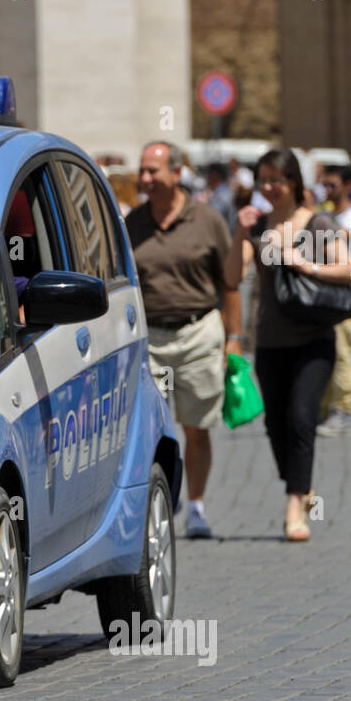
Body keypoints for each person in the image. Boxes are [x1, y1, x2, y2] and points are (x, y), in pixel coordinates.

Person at [226, 148, 351, 542]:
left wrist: (305, 264)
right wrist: (238, 230)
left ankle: (294, 505)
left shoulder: (318, 222)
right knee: (275, 424)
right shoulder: (258, 225)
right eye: (262, 179)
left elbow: (350, 268)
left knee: (301, 418)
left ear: (294, 182)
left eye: (276, 179)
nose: (268, 187)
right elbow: (232, 277)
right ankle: (300, 482)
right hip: (269, 340)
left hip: (313, 339)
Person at [126, 141, 236, 539]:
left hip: (198, 331)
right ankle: (154, 504)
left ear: (176, 173)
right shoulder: (133, 224)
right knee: (151, 426)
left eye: (153, 171)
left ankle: (196, 507)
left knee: (196, 426)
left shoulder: (207, 220)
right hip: (148, 338)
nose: (145, 179)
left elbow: (230, 282)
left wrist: (235, 338)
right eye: (143, 171)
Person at [315, 165, 351, 438]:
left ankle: (343, 410)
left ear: (347, 185)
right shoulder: (325, 214)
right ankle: (321, 408)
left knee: (341, 353)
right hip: (322, 290)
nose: (328, 190)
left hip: (341, 292)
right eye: (325, 185)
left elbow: (335, 238)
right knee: (322, 351)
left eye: (332, 185)